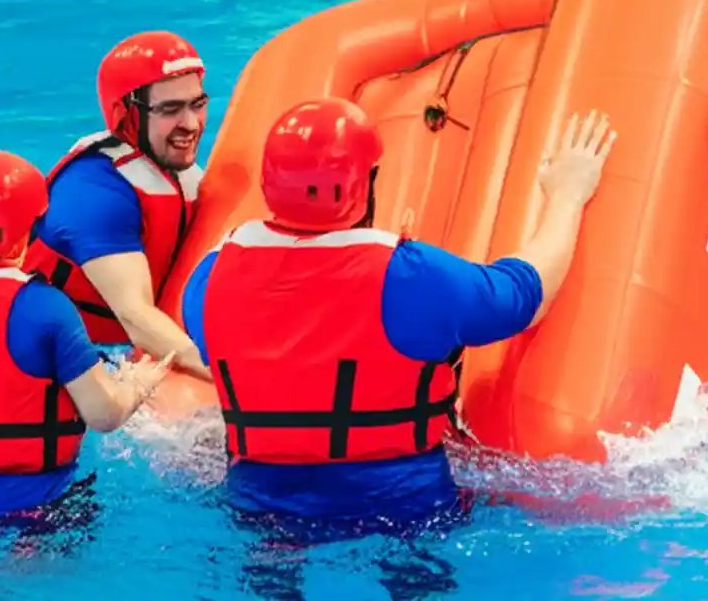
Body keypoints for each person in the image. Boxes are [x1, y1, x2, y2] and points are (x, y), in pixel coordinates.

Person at [179, 98, 615, 530]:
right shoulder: (408, 275)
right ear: (366, 182)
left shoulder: (206, 281)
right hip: (407, 512)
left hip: (260, 514)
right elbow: (525, 295)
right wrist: (567, 195)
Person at [0, 150, 174, 520]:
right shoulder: (45, 307)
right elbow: (104, 415)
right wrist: (138, 383)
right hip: (36, 510)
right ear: (29, 231)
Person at [23, 30, 210, 381]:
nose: (191, 124)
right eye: (170, 109)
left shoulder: (177, 172)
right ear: (127, 114)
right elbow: (136, 318)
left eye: (197, 104)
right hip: (69, 358)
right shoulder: (95, 194)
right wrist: (233, 378)